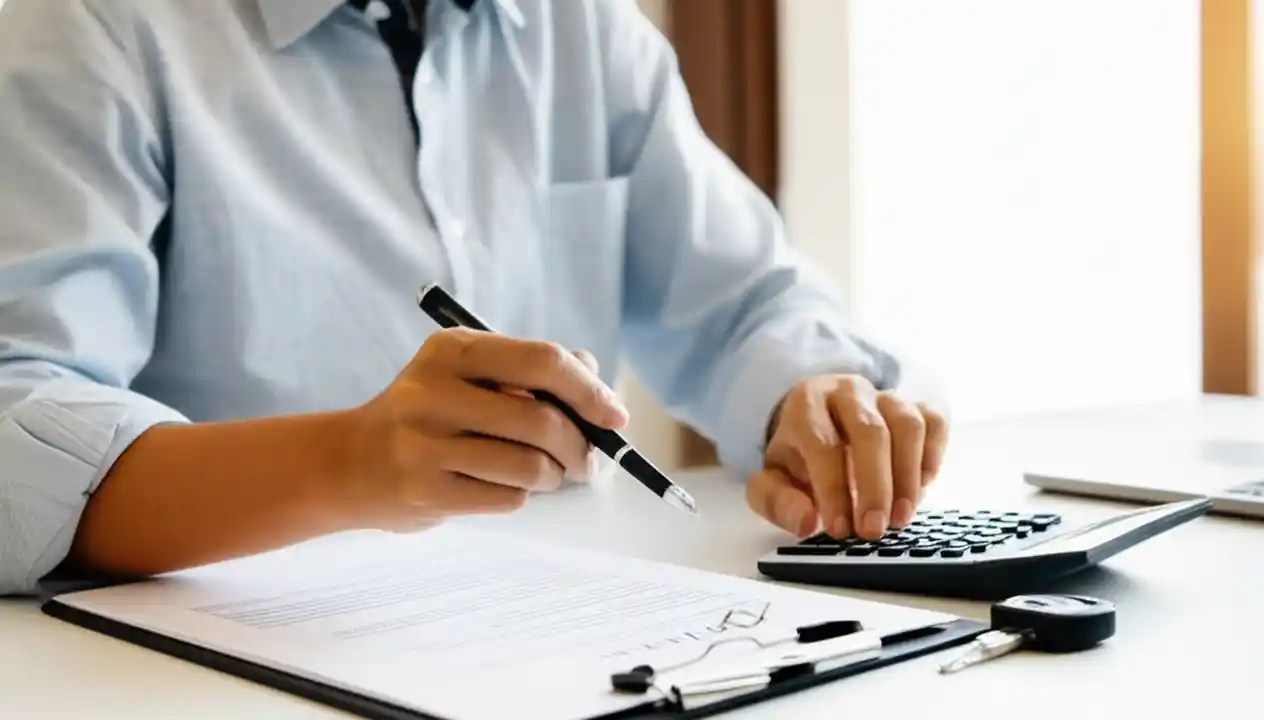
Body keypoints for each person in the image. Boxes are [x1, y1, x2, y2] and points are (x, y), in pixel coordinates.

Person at [0, 0, 948, 596]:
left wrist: (812, 400)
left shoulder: (583, 26)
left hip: (558, 633)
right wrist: (344, 462)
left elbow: (745, 303)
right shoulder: (88, 25)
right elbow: (16, 431)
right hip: (209, 660)